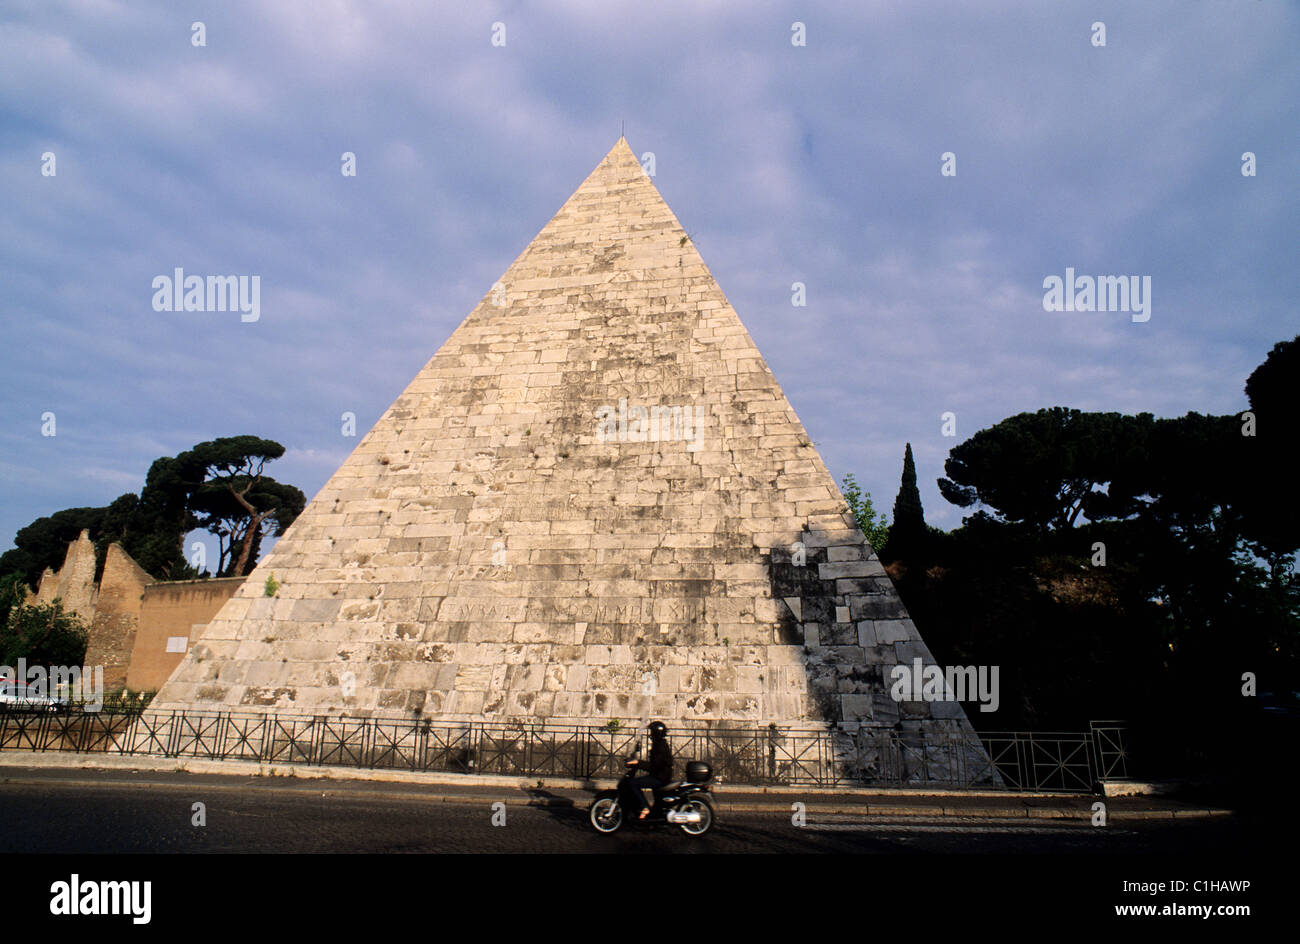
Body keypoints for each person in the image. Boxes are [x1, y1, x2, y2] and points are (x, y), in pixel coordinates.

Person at [619, 720, 673, 820]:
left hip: (660, 777)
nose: (651, 735)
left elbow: (655, 765)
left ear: (656, 733)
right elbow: (655, 764)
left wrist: (638, 763)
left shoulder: (660, 746)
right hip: (660, 775)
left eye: (652, 732)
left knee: (633, 783)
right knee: (638, 782)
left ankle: (645, 807)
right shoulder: (660, 744)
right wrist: (637, 761)